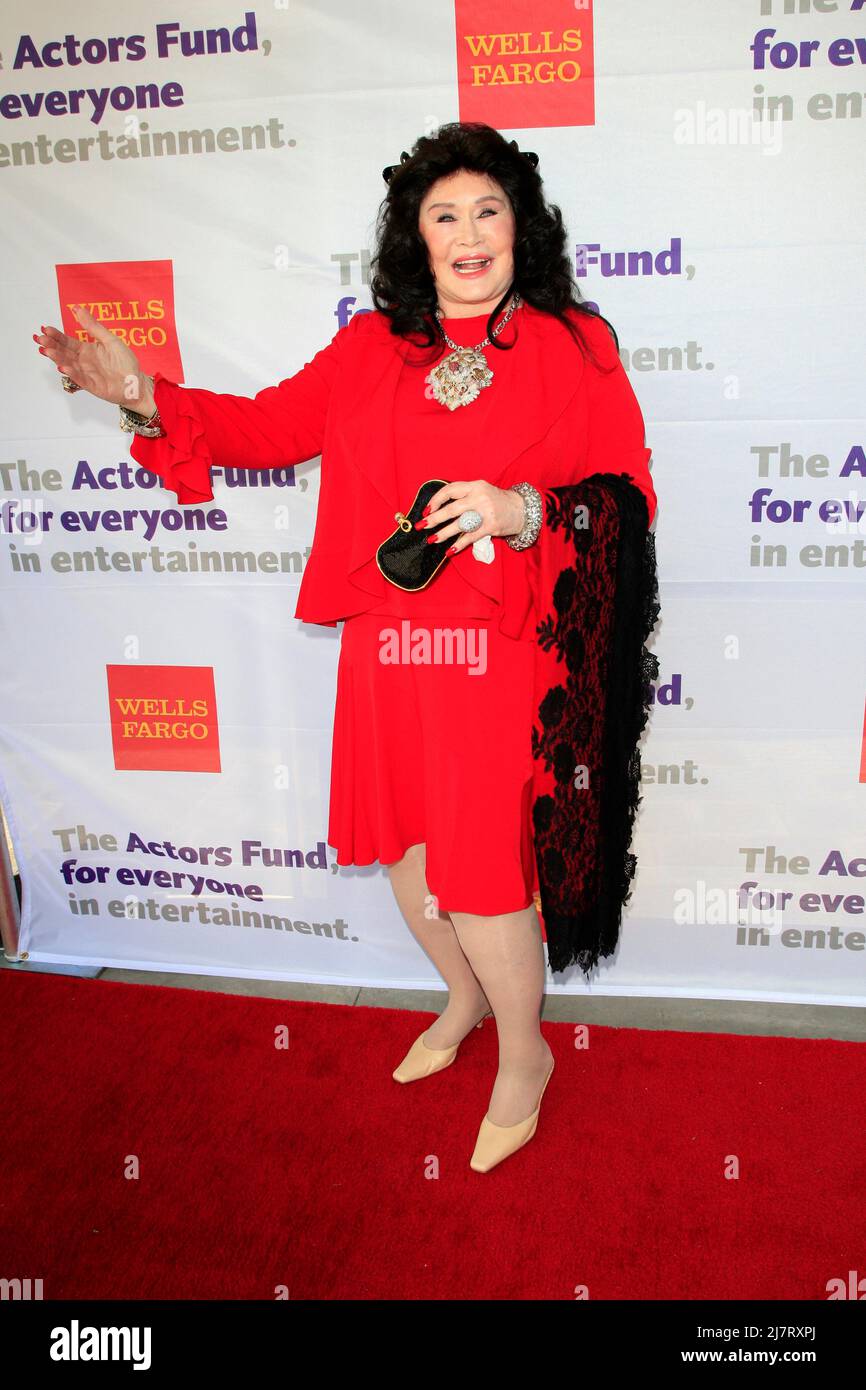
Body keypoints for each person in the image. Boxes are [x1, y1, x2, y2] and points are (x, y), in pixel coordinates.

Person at [33, 121, 657, 1173]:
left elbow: (627, 501)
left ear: (521, 227)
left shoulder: (573, 347)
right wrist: (140, 397)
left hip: (498, 650)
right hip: (386, 646)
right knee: (409, 854)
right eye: (441, 216)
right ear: (414, 239)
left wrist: (520, 510)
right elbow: (265, 429)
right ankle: (459, 996)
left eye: (486, 211)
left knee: (484, 871)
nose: (466, 235)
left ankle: (524, 1051)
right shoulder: (371, 348)